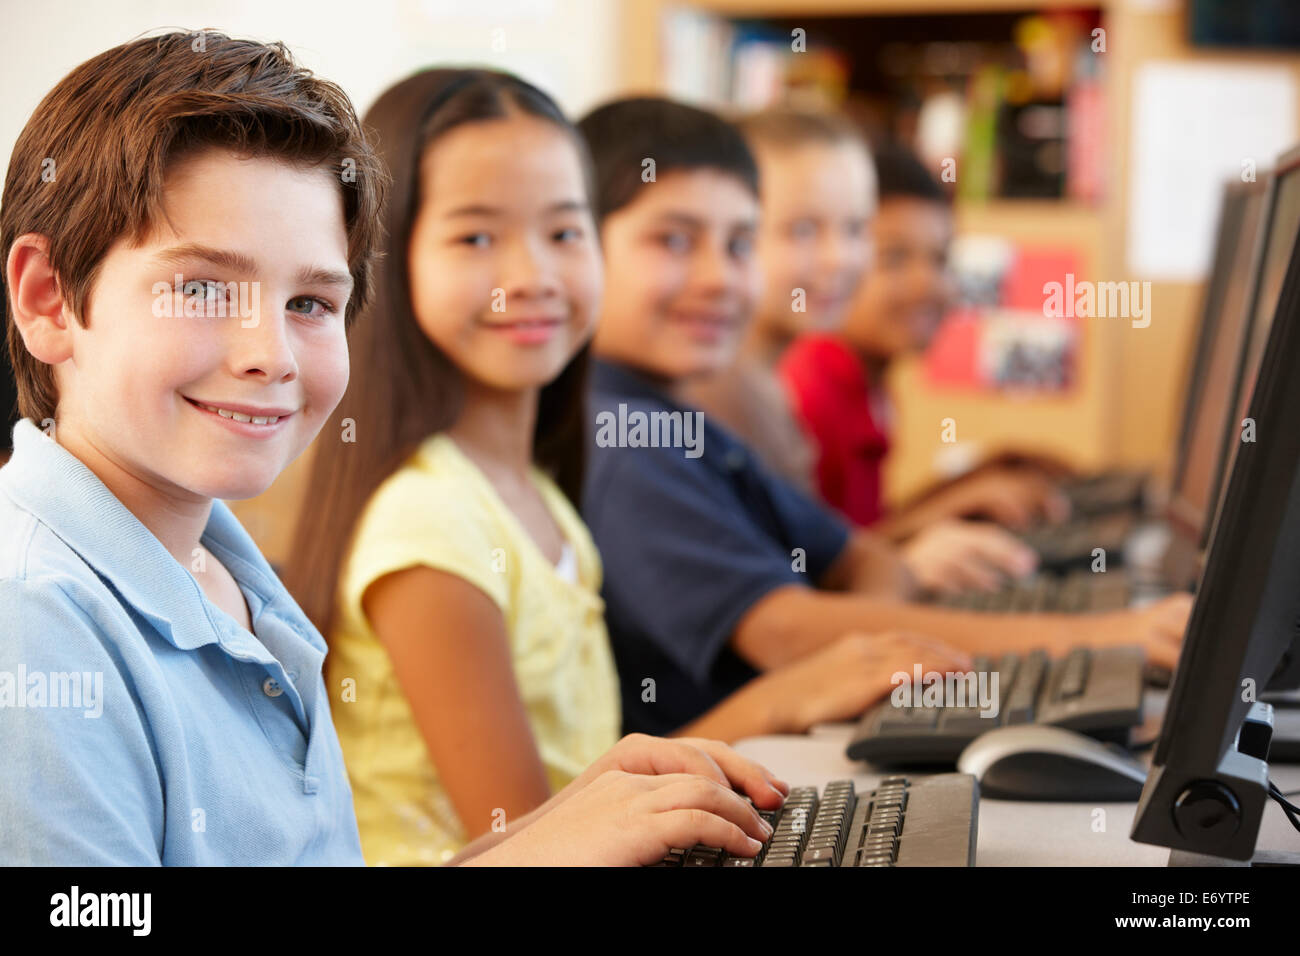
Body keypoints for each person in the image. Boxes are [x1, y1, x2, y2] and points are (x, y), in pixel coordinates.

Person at [0, 32, 786, 867]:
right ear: (49, 300)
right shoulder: (32, 618)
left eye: (310, 300)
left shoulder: (222, 565)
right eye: (201, 288)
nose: (271, 352)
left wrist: (568, 819)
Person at [284, 69, 969, 865]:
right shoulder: (429, 523)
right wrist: (780, 700)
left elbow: (590, 794)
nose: (532, 276)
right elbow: (536, 841)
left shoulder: (537, 492)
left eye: (564, 233)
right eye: (477, 237)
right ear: (385, 262)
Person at [577, 96, 1192, 737]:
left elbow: (863, 558)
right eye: (674, 240)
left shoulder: (677, 420)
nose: (719, 277)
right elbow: (789, 631)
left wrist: (862, 639)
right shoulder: (627, 441)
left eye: (739, 242)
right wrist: (1097, 637)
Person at [781, 138, 1072, 541]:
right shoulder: (808, 391)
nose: (928, 284)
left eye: (941, 259)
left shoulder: (864, 381)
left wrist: (974, 480)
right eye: (896, 259)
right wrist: (954, 502)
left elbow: (860, 532)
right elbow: (818, 573)